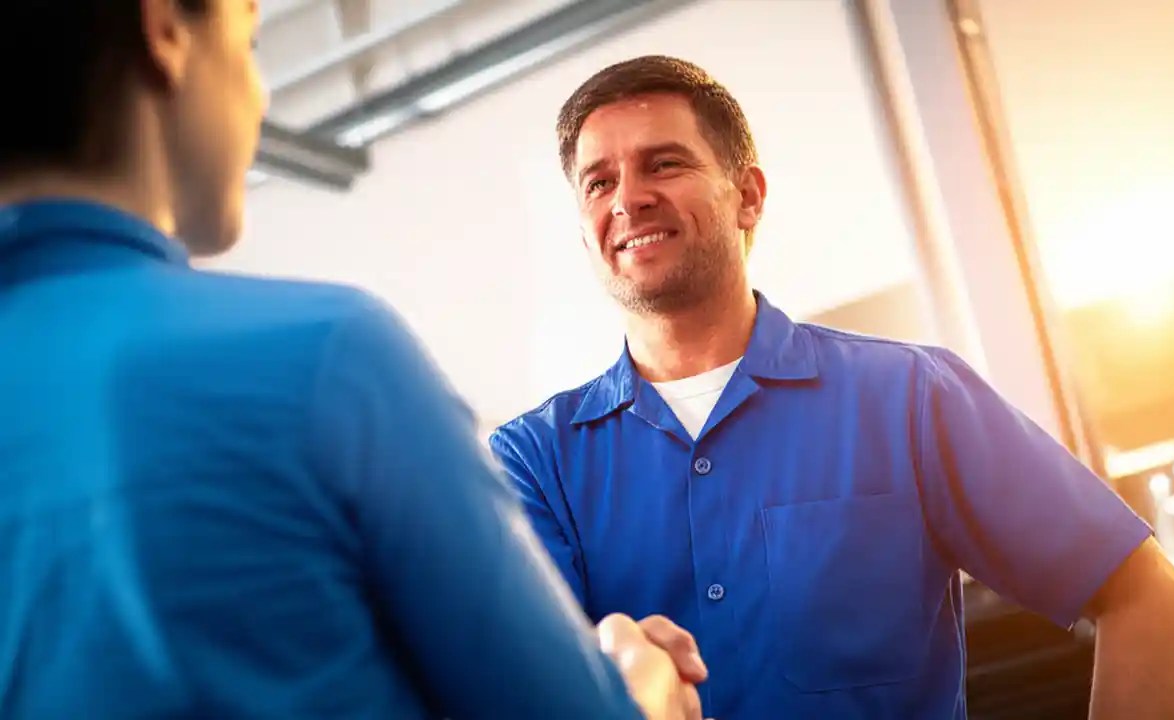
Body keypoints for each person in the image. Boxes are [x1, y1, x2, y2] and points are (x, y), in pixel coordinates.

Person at [0, 3, 706, 718]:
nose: (259, 95)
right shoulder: (321, 359)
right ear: (166, 28)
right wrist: (636, 669)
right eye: (247, 44)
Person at [489, 55, 1174, 719]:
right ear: (584, 230)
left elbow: (1153, 604)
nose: (629, 199)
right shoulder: (533, 462)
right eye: (599, 181)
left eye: (663, 164)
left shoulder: (909, 398)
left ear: (747, 195)